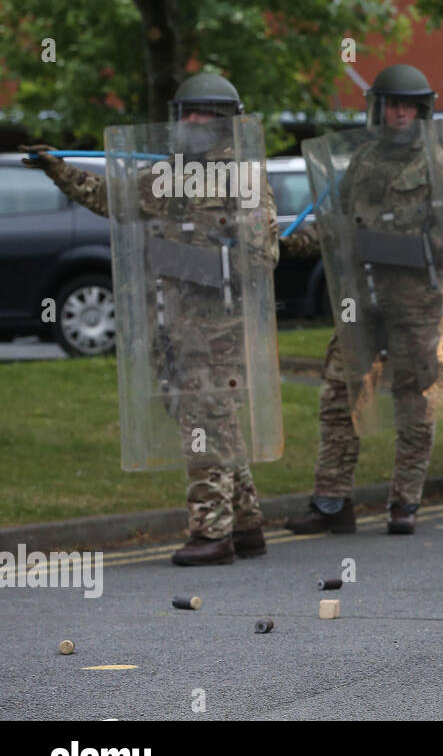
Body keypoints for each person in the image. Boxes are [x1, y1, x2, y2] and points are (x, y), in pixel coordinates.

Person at [22, 73, 279, 566]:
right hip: (176, 328)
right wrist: (58, 169)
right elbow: (112, 198)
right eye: (185, 112)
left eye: (201, 112)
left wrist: (187, 261)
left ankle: (212, 534)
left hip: (220, 329)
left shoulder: (243, 178)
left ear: (225, 120)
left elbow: (262, 258)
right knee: (217, 423)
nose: (190, 120)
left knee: (203, 423)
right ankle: (246, 528)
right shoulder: (169, 174)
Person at [283, 64, 443, 536]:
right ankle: (331, 503)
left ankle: (404, 503)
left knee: (412, 401)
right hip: (361, 301)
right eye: (392, 105)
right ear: (380, 109)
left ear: (423, 110)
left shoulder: (437, 164)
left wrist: (402, 246)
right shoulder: (364, 161)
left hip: (413, 303)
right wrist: (292, 242)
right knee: (338, 395)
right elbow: (338, 225)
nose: (400, 113)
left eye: (408, 106)